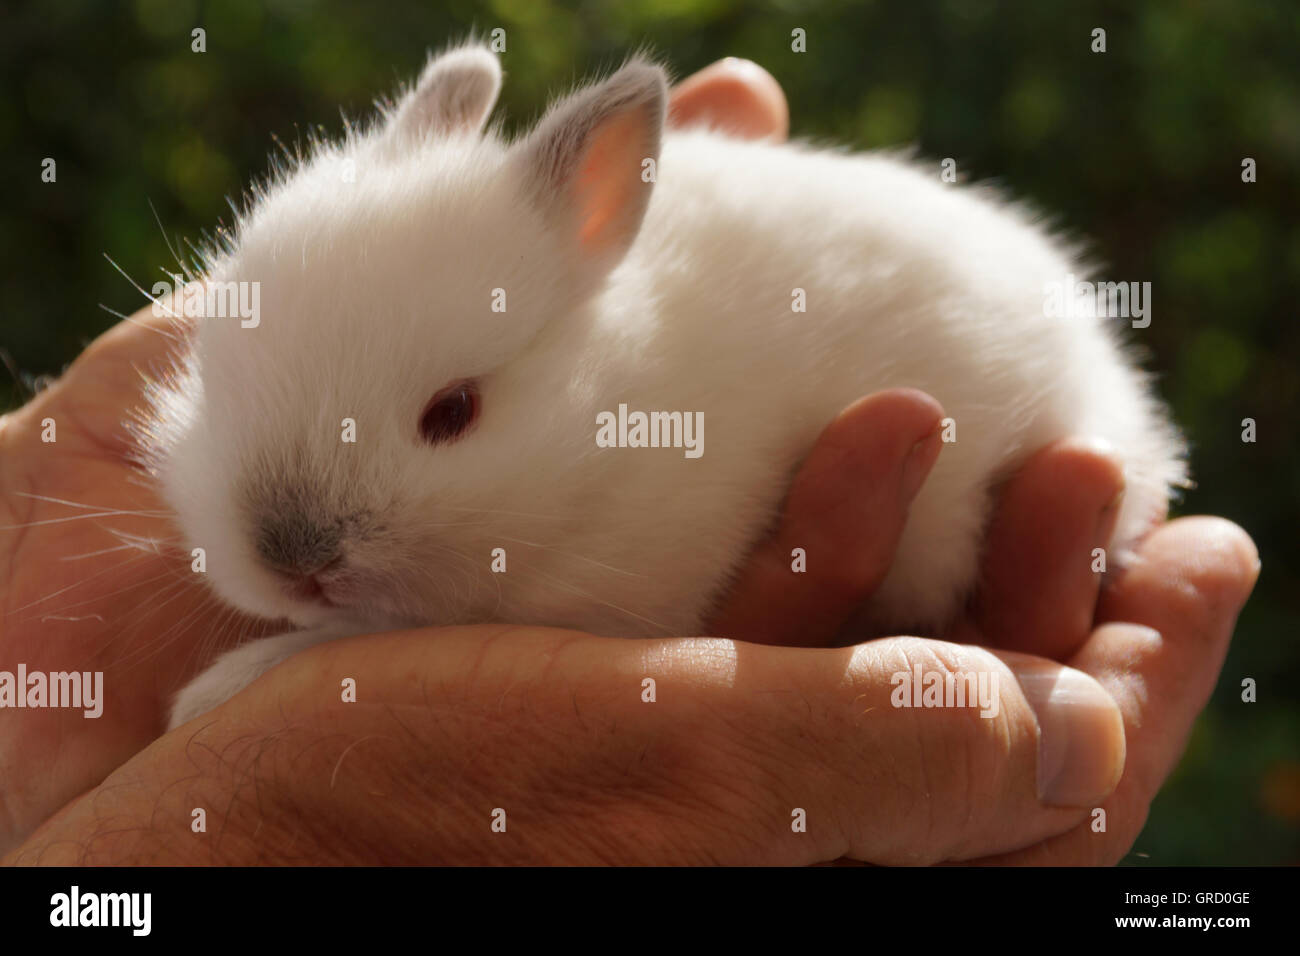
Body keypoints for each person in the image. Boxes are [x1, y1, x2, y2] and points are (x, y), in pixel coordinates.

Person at [0, 59, 1258, 865]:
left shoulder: (653, 413)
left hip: (1018, 434)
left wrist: (284, 697)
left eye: (445, 416)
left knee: (940, 559)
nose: (298, 547)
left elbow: (636, 607)